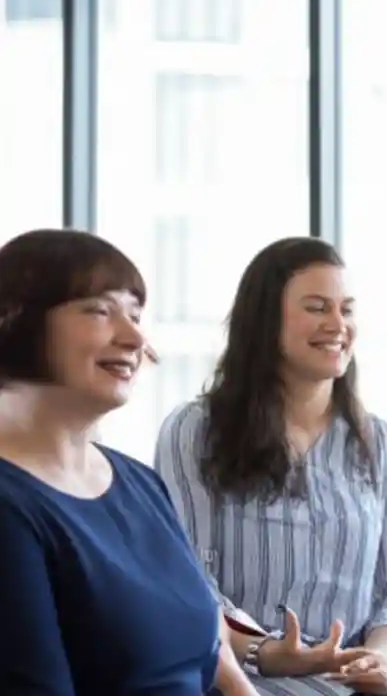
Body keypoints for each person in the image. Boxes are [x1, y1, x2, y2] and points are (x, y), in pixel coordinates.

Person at [154, 236, 387, 695]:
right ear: (264, 321)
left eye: (347, 309)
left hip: (353, 681)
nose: (338, 324)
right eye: (318, 307)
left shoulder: (382, 445)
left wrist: (377, 659)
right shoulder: (196, 429)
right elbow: (188, 580)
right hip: (238, 674)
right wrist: (265, 651)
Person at [0, 230, 254, 694]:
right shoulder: (11, 504)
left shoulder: (139, 482)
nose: (135, 336)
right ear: (17, 320)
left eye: (136, 315)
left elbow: (209, 643)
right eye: (100, 311)